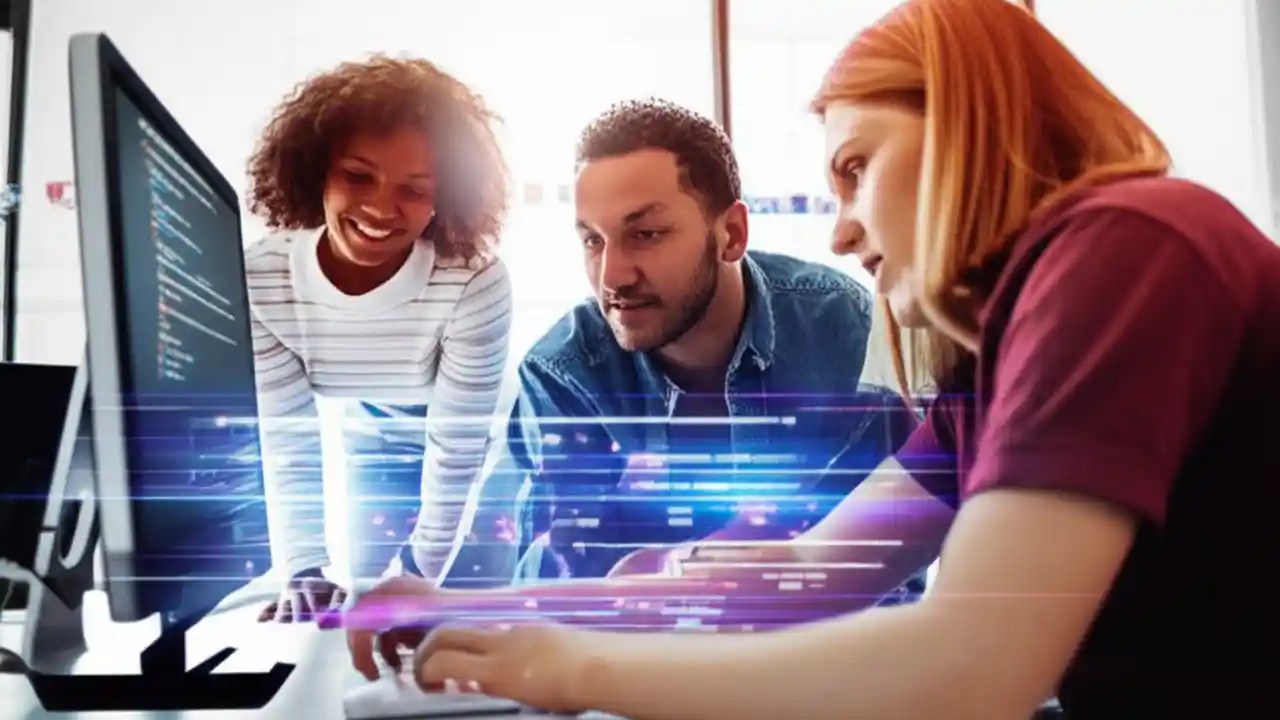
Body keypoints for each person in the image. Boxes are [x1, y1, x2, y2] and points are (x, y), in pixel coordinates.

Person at [335, 0, 1280, 716]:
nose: (841, 232)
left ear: (970, 124)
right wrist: (479, 601)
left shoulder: (1126, 245)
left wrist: (568, 668)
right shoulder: (999, 361)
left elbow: (975, 665)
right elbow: (812, 567)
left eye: (857, 168)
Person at [499, 98, 916, 583]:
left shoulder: (842, 330)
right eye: (593, 241)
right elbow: (552, 592)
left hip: (813, 650)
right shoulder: (564, 374)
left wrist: (666, 564)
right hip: (634, 655)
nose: (612, 276)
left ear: (732, 233)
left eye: (647, 234)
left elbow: (887, 569)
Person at [244, 55, 513, 622]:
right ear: (317, 169)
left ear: (444, 198)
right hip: (372, 432)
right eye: (358, 177)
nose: (380, 208)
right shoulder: (262, 279)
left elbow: (457, 445)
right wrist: (303, 568)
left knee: (464, 614)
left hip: (485, 448)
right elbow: (287, 436)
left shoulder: (474, 279)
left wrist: (417, 572)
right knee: (358, 613)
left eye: (414, 190)